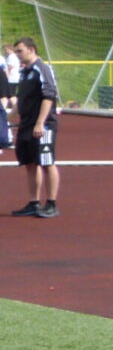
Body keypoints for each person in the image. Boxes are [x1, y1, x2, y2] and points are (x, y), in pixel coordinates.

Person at [9, 37, 60, 218]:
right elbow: (22, 98)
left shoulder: (42, 69)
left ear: (31, 49)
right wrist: (11, 113)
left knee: (47, 162)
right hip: (26, 124)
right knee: (30, 163)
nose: (17, 54)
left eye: (20, 51)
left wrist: (40, 123)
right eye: (16, 51)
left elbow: (49, 96)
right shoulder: (25, 72)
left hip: (43, 125)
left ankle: (52, 203)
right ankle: (34, 202)